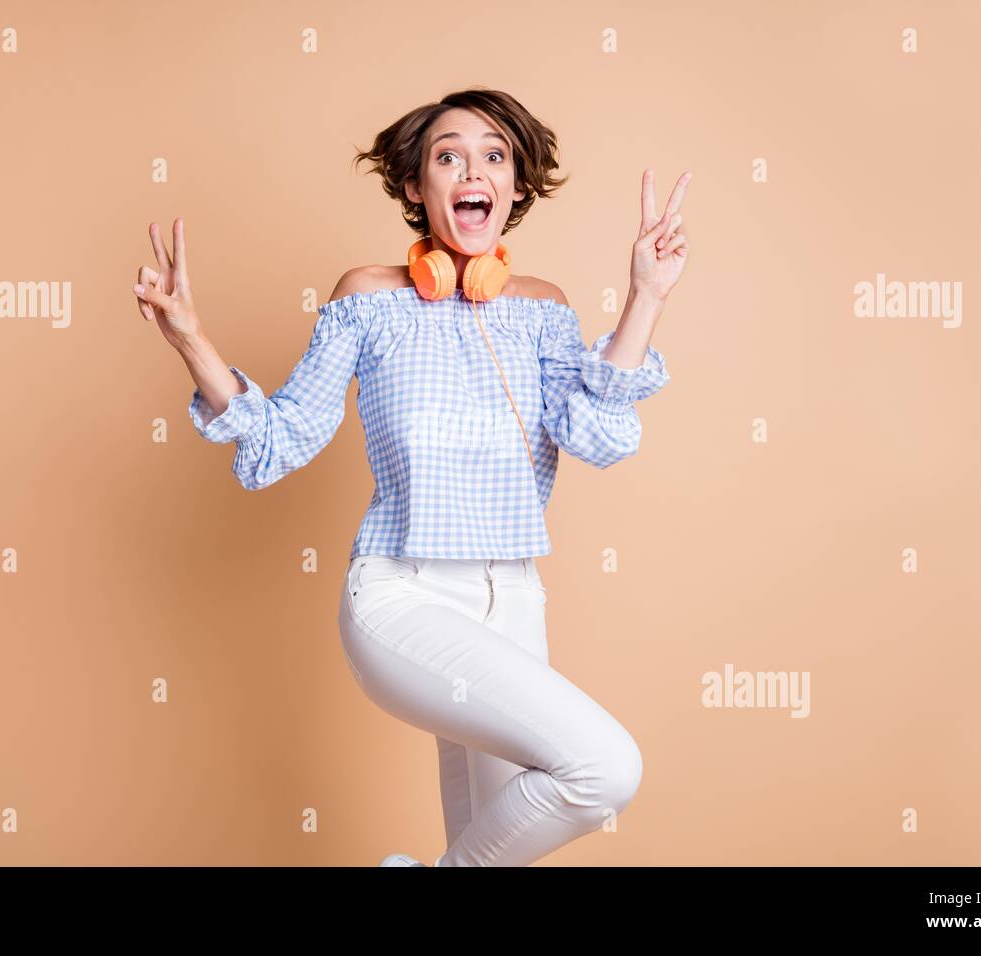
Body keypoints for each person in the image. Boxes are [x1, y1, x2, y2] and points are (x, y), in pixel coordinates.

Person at [133, 87, 691, 866]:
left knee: (499, 837)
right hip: (404, 594)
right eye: (449, 155)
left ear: (517, 186)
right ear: (414, 187)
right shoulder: (369, 301)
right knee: (603, 767)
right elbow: (279, 443)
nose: (476, 169)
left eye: (495, 155)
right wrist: (191, 339)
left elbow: (598, 435)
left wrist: (646, 297)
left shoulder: (542, 311)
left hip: (515, 602)